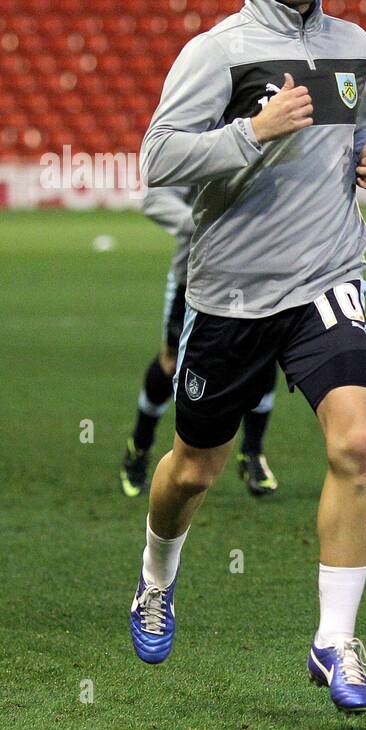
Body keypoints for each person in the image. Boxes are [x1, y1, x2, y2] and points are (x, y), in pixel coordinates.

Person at [129, 0, 366, 714]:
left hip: (326, 281)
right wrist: (256, 129)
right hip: (233, 297)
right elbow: (159, 159)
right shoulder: (218, 52)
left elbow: (361, 129)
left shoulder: (351, 43)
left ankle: (334, 640)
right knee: (193, 470)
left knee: (356, 444)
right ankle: (154, 581)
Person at [119, 183, 280, 499]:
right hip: (195, 280)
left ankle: (252, 452)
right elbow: (156, 198)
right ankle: (139, 445)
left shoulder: (278, 141)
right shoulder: (207, 137)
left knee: (263, 359)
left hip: (260, 278)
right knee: (171, 362)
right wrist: (208, 226)